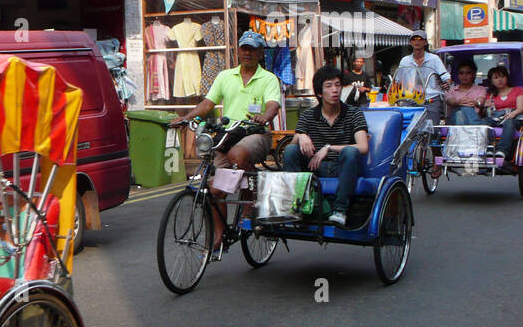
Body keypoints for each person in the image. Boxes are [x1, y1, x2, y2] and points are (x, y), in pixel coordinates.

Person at [169, 30, 281, 250]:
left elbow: (273, 105)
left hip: (255, 133)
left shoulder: (268, 78)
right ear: (238, 51)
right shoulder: (225, 76)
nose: (247, 53)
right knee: (213, 189)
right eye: (244, 48)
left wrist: (265, 117)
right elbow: (208, 103)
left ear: (260, 53)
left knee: (237, 156)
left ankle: (249, 193)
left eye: (252, 49)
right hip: (228, 135)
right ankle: (219, 235)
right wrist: (187, 117)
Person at [282, 67, 370, 226]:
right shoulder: (309, 115)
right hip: (315, 168)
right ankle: (297, 205)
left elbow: (363, 147)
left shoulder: (353, 113)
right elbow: (293, 144)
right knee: (290, 150)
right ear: (320, 93)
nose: (335, 90)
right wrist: (301, 136)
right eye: (329, 86)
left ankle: (340, 210)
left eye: (337, 85)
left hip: (343, 167)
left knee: (351, 151)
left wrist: (329, 147)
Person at [390, 30, 450, 123]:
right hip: (410, 100)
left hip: (431, 99)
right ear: (410, 42)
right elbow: (397, 81)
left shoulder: (434, 59)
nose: (417, 41)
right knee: (409, 130)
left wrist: (446, 83)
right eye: (414, 39)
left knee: (432, 129)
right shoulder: (405, 61)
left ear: (425, 42)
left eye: (420, 39)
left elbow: (445, 76)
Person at [485, 65, 523, 171]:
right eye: (496, 78)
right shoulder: (491, 95)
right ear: (491, 81)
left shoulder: (518, 90)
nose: (500, 80)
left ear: (507, 77)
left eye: (502, 76)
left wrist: (512, 113)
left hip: (514, 116)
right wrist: (486, 106)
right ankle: (488, 148)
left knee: (509, 122)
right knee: (483, 122)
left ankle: (501, 151)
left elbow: (520, 108)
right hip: (497, 118)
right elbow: (490, 112)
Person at [444, 60, 490, 125]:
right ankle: (476, 125)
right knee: (460, 112)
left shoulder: (481, 89)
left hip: (473, 118)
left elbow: (480, 102)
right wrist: (458, 103)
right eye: (461, 73)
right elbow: (450, 101)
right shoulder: (450, 90)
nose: (464, 75)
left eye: (468, 73)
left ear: (474, 74)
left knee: (463, 111)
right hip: (454, 120)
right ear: (458, 74)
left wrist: (475, 102)